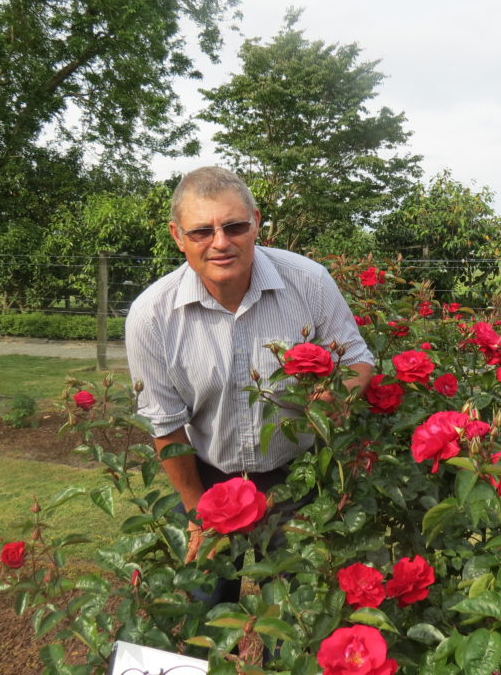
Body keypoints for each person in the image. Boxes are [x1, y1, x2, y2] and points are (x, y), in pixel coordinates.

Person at [125, 166, 373, 564]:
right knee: (200, 611)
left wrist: (333, 399)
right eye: (201, 232)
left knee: (307, 610)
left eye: (235, 227)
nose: (220, 243)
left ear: (256, 223)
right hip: (207, 481)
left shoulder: (309, 282)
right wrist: (195, 511)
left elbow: (357, 359)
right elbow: (165, 423)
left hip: (297, 480)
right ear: (177, 236)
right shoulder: (152, 316)